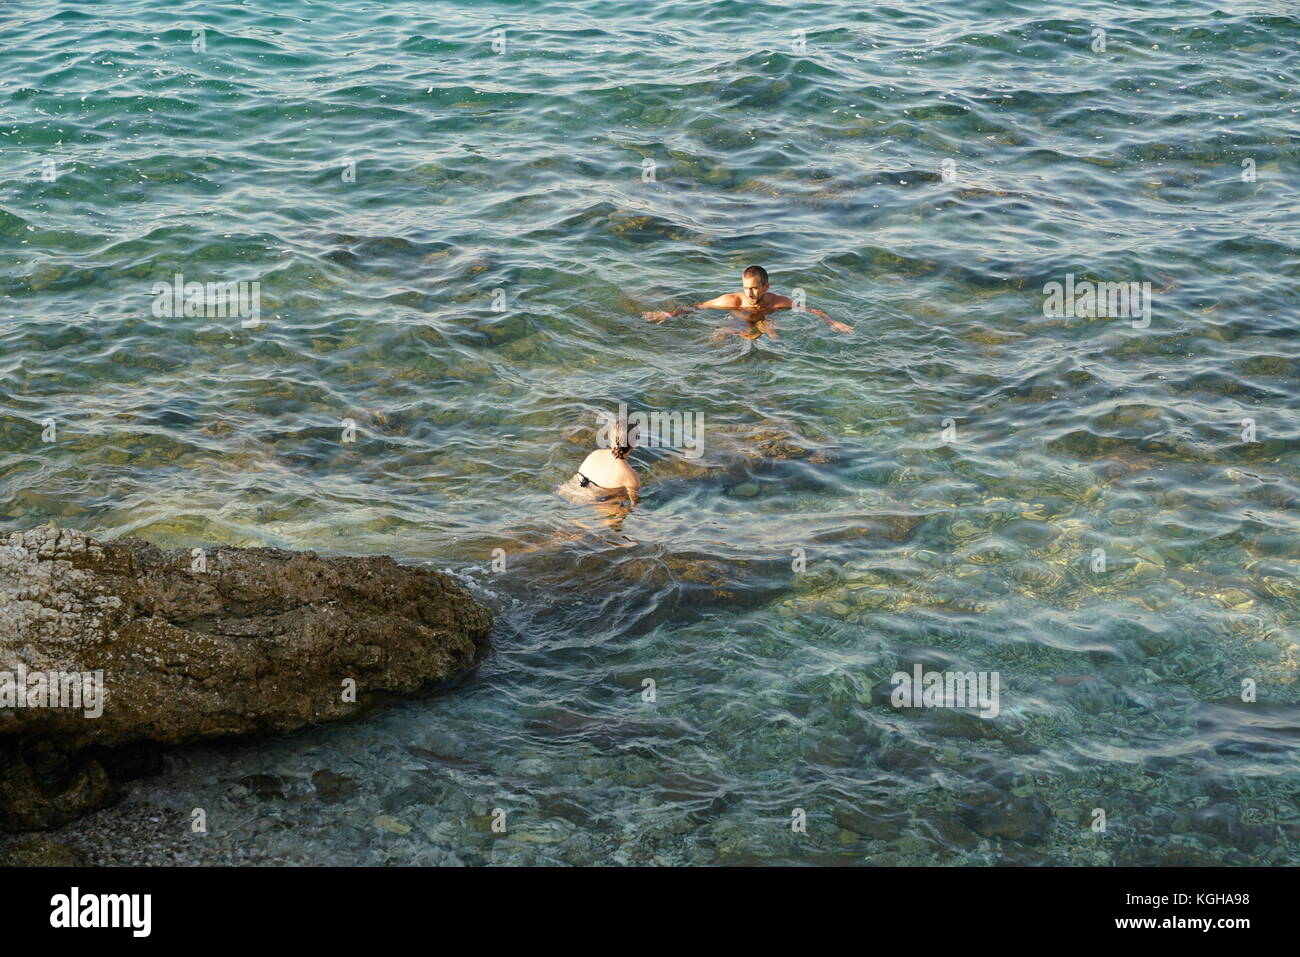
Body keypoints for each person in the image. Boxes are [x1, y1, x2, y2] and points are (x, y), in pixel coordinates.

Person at [642, 265, 852, 340]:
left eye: (753, 288)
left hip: (765, 319)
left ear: (766, 287)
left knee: (774, 335)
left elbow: (811, 310)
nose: (749, 293)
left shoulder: (776, 302)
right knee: (718, 336)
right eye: (745, 287)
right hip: (738, 321)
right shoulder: (732, 300)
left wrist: (832, 322)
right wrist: (669, 315)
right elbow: (697, 306)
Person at [556, 416, 640, 511]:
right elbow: (634, 503)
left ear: (611, 438)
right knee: (621, 509)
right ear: (634, 443)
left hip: (565, 491)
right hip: (588, 504)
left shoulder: (595, 453)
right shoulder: (630, 476)